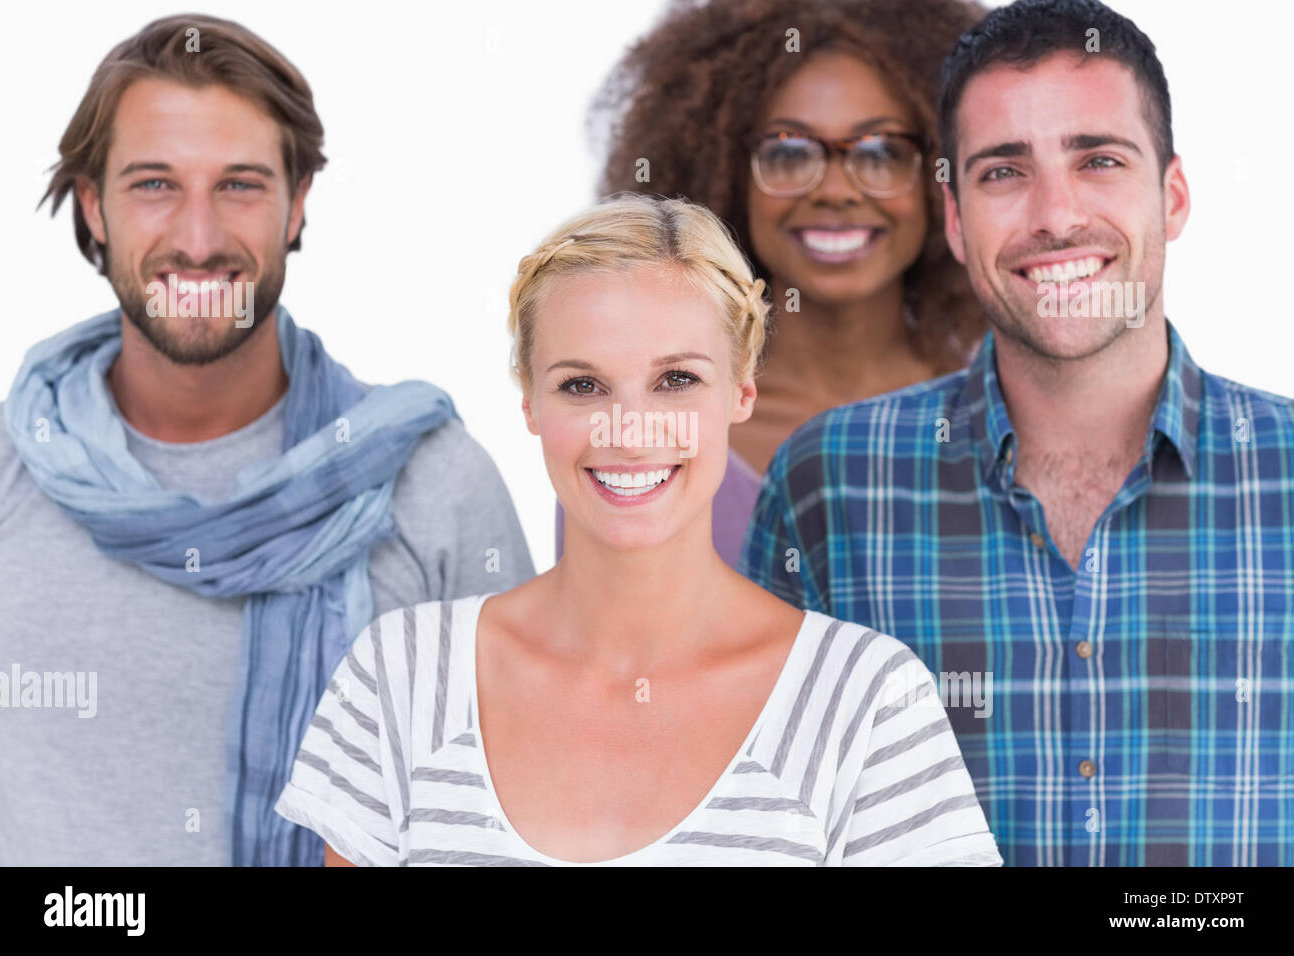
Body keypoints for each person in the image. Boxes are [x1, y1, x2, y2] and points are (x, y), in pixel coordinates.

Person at [274, 194, 1003, 866]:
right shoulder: (400, 676)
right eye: (582, 385)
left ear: (742, 388)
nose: (629, 429)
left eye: (676, 379)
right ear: (529, 401)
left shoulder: (868, 703)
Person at [741, 0, 1294, 866]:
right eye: (1004, 172)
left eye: (1099, 160)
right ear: (956, 220)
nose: (1055, 214)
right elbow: (763, 830)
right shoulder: (830, 486)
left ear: (1173, 195)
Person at [0, 14, 534, 866]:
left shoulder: (434, 486)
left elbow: (521, 812)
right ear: (94, 208)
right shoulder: (5, 471)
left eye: (240, 184)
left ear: (298, 202)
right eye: (153, 185)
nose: (199, 240)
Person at [555, 0, 988, 569]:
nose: (835, 190)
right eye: (788, 151)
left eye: (882, 151)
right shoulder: (642, 434)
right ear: (724, 177)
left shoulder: (1001, 410)